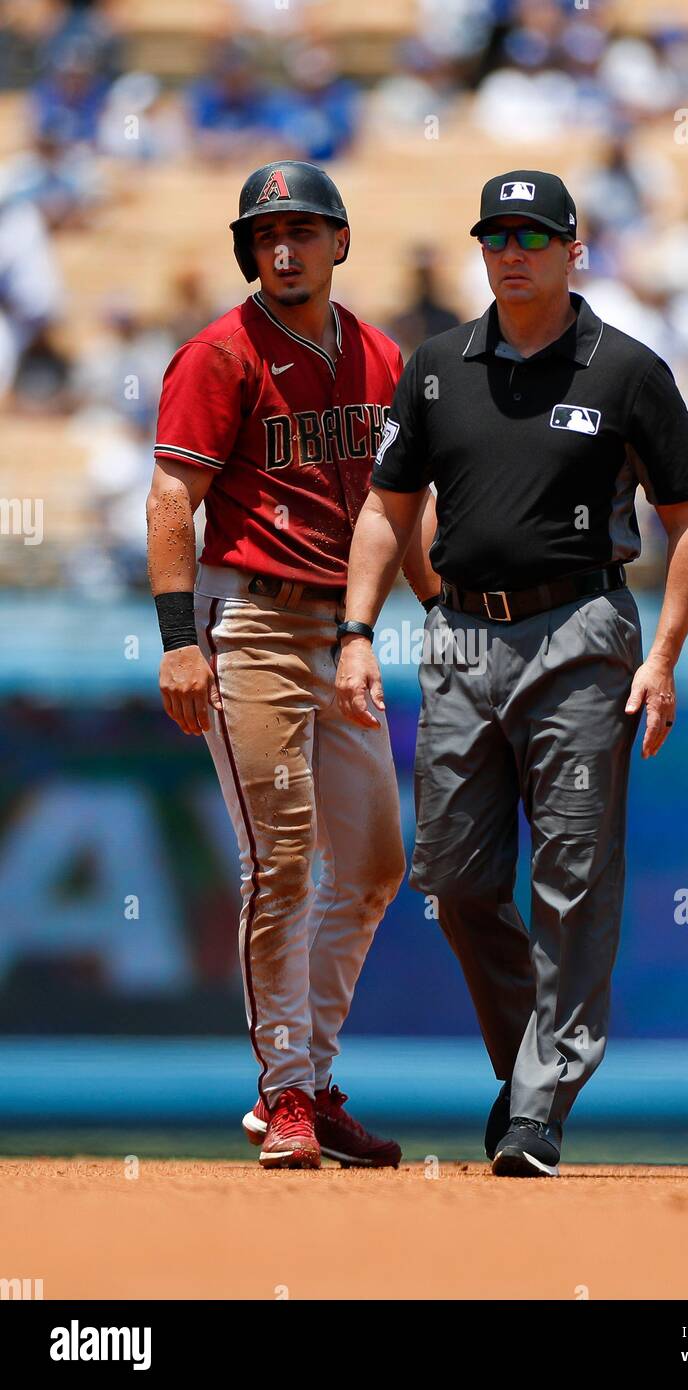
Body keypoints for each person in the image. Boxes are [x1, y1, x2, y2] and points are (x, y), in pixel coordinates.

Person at [335, 169, 688, 1177]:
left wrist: (664, 657)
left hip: (582, 628)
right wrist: (355, 630)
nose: (512, 252)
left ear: (570, 250)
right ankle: (526, 1064)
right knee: (455, 880)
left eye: (532, 236)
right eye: (496, 235)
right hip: (458, 635)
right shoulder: (433, 369)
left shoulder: (625, 369)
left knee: (572, 870)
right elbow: (386, 507)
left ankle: (541, 1105)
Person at [146, 160, 436, 1170]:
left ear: (338, 242)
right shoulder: (218, 354)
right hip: (253, 628)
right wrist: (178, 638)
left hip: (342, 633)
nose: (283, 245)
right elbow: (170, 501)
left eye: (303, 229)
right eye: (265, 232)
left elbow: (399, 512)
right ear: (247, 249)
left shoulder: (380, 356)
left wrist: (443, 614)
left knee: (371, 865)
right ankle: (286, 1091)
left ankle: (308, 1077)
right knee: (280, 859)